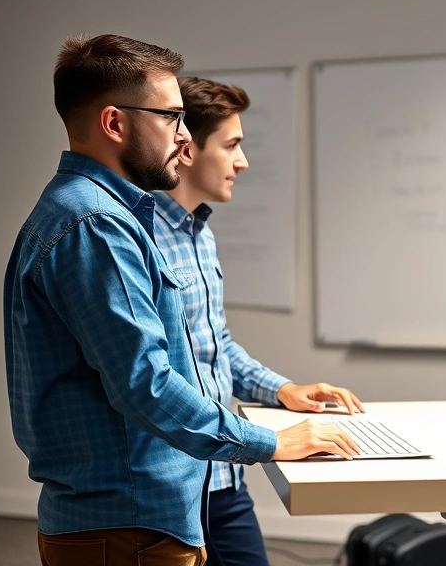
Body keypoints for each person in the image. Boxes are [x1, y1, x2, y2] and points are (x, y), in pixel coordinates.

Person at [3, 34, 359, 566]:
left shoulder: (104, 217)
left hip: (143, 515)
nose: (185, 135)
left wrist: (276, 398)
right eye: (172, 117)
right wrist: (267, 441)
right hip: (128, 521)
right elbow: (144, 382)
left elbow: (197, 348)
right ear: (114, 123)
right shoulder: (97, 226)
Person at [152, 76, 365, 566]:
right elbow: (149, 378)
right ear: (186, 150)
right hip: (172, 486)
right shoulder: (138, 241)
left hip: (224, 477)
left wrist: (282, 389)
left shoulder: (200, 235)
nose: (242, 162)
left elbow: (215, 345)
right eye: (232, 146)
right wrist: (271, 441)